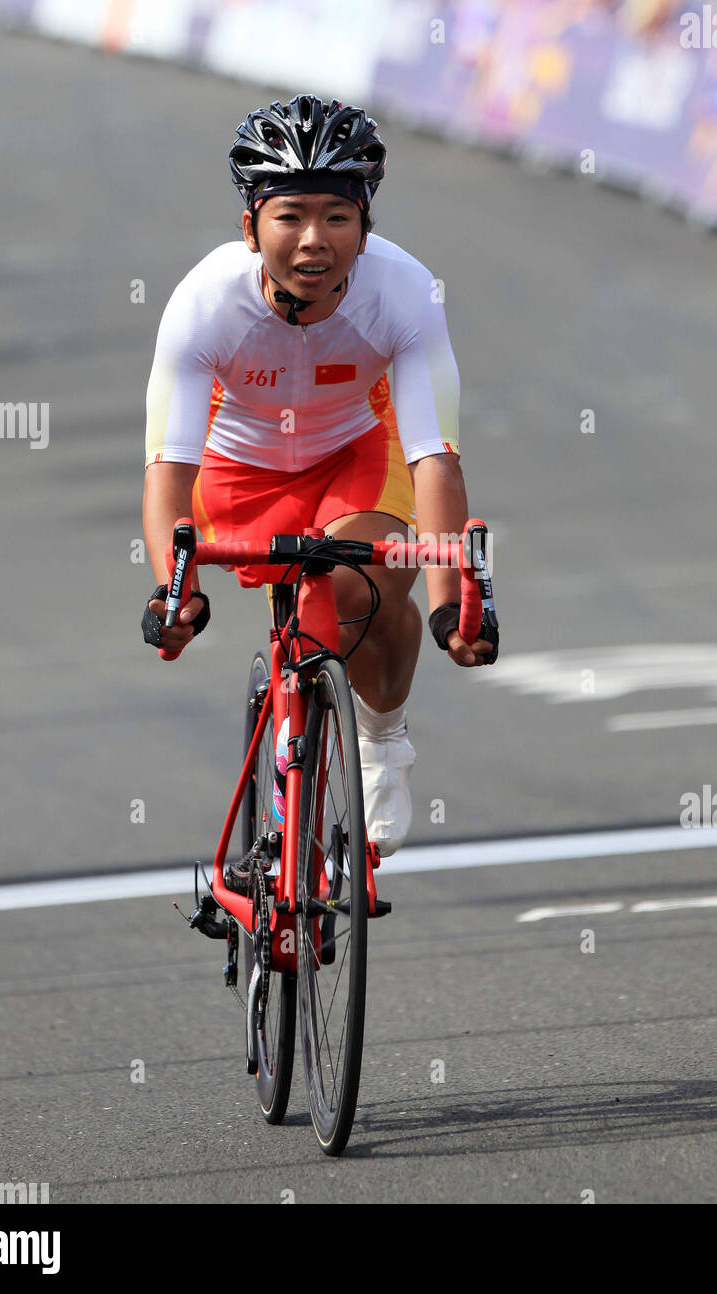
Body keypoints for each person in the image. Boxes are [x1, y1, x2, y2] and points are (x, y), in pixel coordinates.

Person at [141, 94, 493, 883]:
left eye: (337, 217)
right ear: (250, 228)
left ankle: (383, 738)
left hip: (358, 452)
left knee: (359, 587)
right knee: (305, 614)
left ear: (365, 227)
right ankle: (278, 814)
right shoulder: (204, 304)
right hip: (240, 471)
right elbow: (169, 468)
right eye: (290, 216)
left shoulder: (402, 291)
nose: (313, 241)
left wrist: (449, 605)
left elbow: (436, 457)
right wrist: (174, 592)